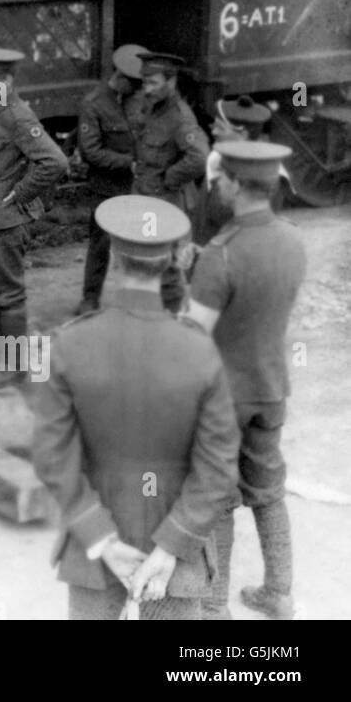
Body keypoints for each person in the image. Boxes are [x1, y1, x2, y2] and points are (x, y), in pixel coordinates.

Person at [32, 197, 240, 620]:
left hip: (95, 562)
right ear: (170, 262)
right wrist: (169, 547)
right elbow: (218, 468)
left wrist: (101, 538)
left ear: (112, 257)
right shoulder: (200, 351)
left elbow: (53, 457)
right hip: (177, 564)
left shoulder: (69, 345)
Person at [186, 141, 307, 621]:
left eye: (221, 181)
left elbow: (196, 337)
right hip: (272, 387)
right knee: (268, 490)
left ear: (236, 184)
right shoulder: (293, 239)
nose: (217, 188)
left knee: (216, 499)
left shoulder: (221, 254)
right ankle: (279, 594)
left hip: (225, 398)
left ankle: (214, 608)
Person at [0, 47, 67, 387]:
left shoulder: (17, 116)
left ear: (6, 81)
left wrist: (21, 195)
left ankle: (13, 364)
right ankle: (4, 352)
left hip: (4, 221)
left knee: (6, 295)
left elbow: (54, 162)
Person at [128, 51, 209, 311]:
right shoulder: (151, 107)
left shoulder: (180, 117)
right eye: (144, 82)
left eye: (153, 83)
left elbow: (199, 157)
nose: (146, 89)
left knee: (168, 269)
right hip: (145, 198)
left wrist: (169, 178)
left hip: (166, 203)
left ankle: (173, 320)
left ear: (171, 82)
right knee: (144, 262)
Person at [74, 43, 146, 314]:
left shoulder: (141, 100)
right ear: (121, 79)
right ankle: (90, 298)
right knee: (100, 244)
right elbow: (90, 151)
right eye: (135, 84)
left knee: (142, 243)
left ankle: (138, 298)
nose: (140, 89)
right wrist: (130, 164)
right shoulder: (93, 104)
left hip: (138, 187)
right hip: (106, 187)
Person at [196, 97, 287, 242]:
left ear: (243, 135)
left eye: (220, 127)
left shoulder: (268, 176)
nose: (213, 132)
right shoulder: (216, 158)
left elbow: (253, 235)